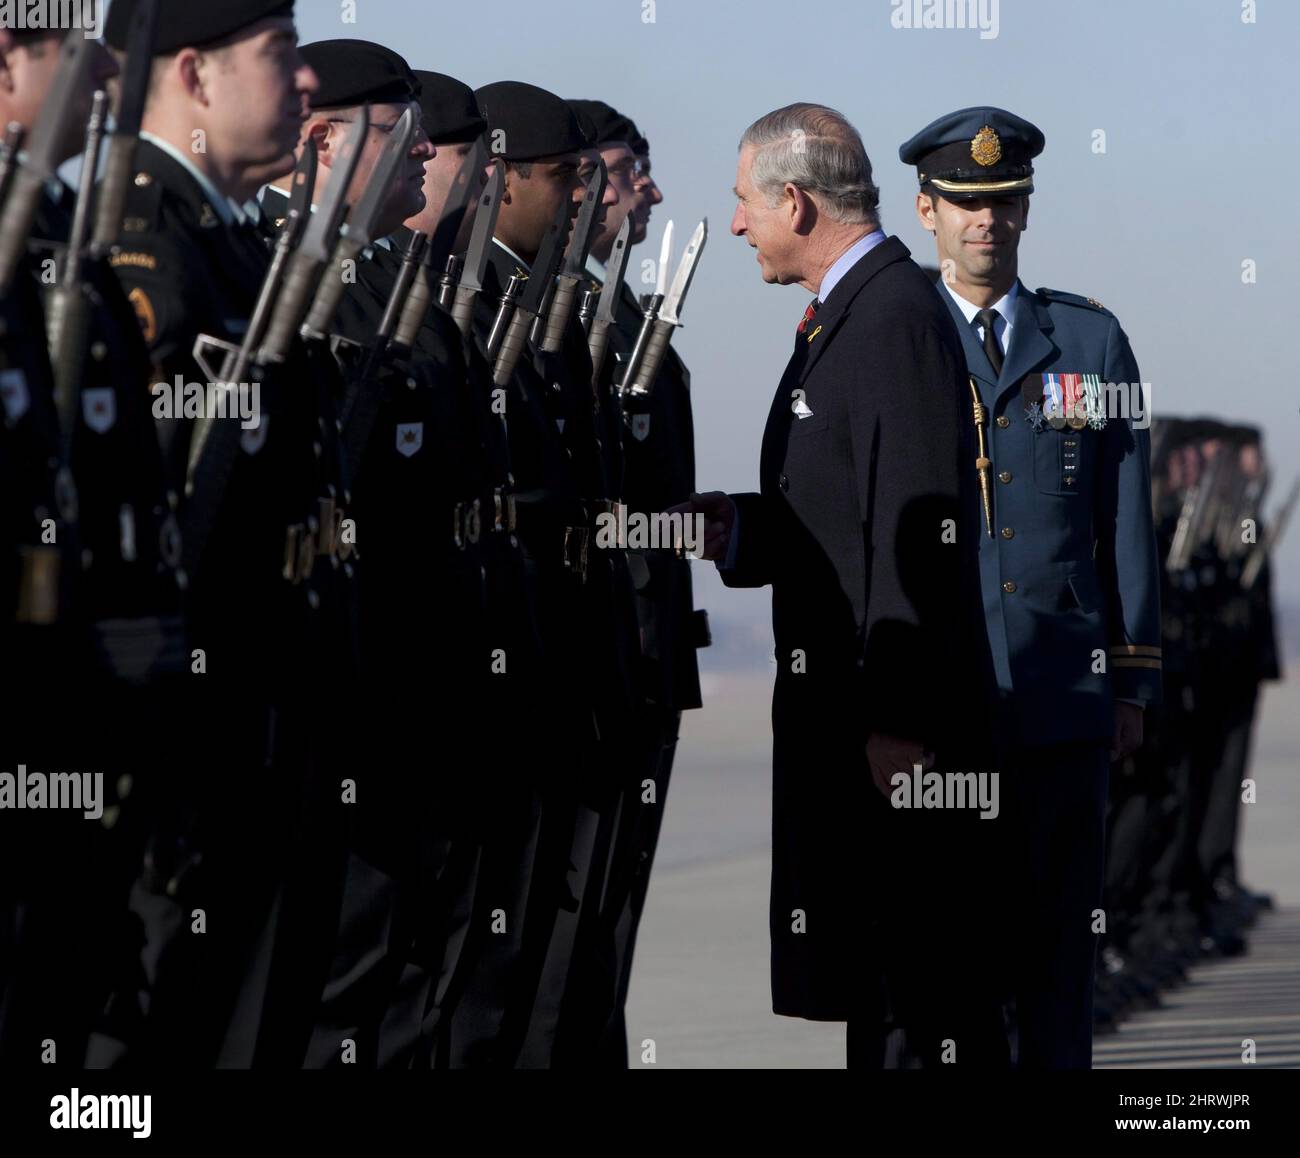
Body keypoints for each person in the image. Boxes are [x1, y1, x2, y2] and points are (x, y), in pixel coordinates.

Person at [683, 102, 999, 1069]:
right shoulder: (850, 314)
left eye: (745, 202)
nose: (736, 224)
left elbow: (918, 530)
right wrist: (744, 528)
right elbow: (845, 511)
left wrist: (900, 722)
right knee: (880, 993)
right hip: (857, 726)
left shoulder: (890, 319)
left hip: (888, 739)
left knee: (913, 1003)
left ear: (795, 201)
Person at [94, 0, 356, 1068]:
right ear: (195, 75)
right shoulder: (141, 242)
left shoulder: (232, 241)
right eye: (279, 54)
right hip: (189, 724)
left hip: (263, 701)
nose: (305, 82)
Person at [899, 105, 1163, 1068]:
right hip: (947, 705)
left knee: (1059, 964)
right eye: (966, 203)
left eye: (1006, 201)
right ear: (926, 210)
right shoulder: (903, 335)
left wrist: (1132, 681)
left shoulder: (1089, 343)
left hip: (1063, 704)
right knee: (953, 966)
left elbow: (1123, 517)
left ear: (1026, 209)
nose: (988, 221)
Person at [564, 97, 708, 1066]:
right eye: (628, 171)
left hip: (645, 656)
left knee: (607, 926)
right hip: (592, 661)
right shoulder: (557, 315)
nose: (648, 190)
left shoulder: (617, 311)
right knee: (570, 929)